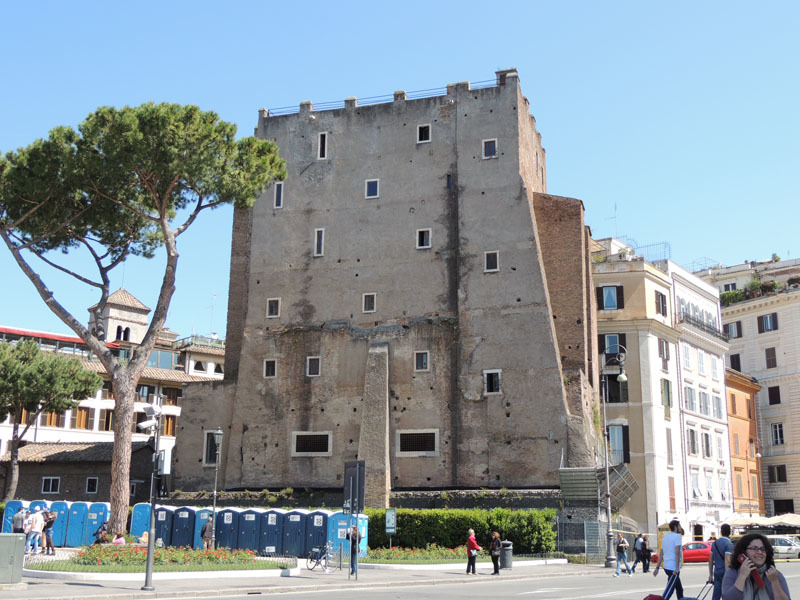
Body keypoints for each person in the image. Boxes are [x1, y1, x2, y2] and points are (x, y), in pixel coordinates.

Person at [722, 533, 791, 600]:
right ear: (743, 552)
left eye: (763, 549)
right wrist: (742, 576)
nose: (760, 552)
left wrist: (775, 582)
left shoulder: (774, 575)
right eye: (754, 549)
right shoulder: (733, 573)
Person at [654, 519, 684, 600]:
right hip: (673, 568)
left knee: (679, 589)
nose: (680, 527)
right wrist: (677, 568)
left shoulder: (665, 537)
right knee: (669, 591)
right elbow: (677, 553)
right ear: (675, 527)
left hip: (667, 567)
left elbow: (661, 554)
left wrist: (657, 568)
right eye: (679, 526)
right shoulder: (677, 537)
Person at [708, 523, 734, 600]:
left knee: (716, 595)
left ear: (721, 532)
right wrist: (728, 575)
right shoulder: (729, 544)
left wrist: (710, 575)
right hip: (725, 573)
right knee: (727, 595)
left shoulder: (715, 543)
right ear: (730, 532)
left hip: (717, 572)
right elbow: (727, 561)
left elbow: (710, 560)